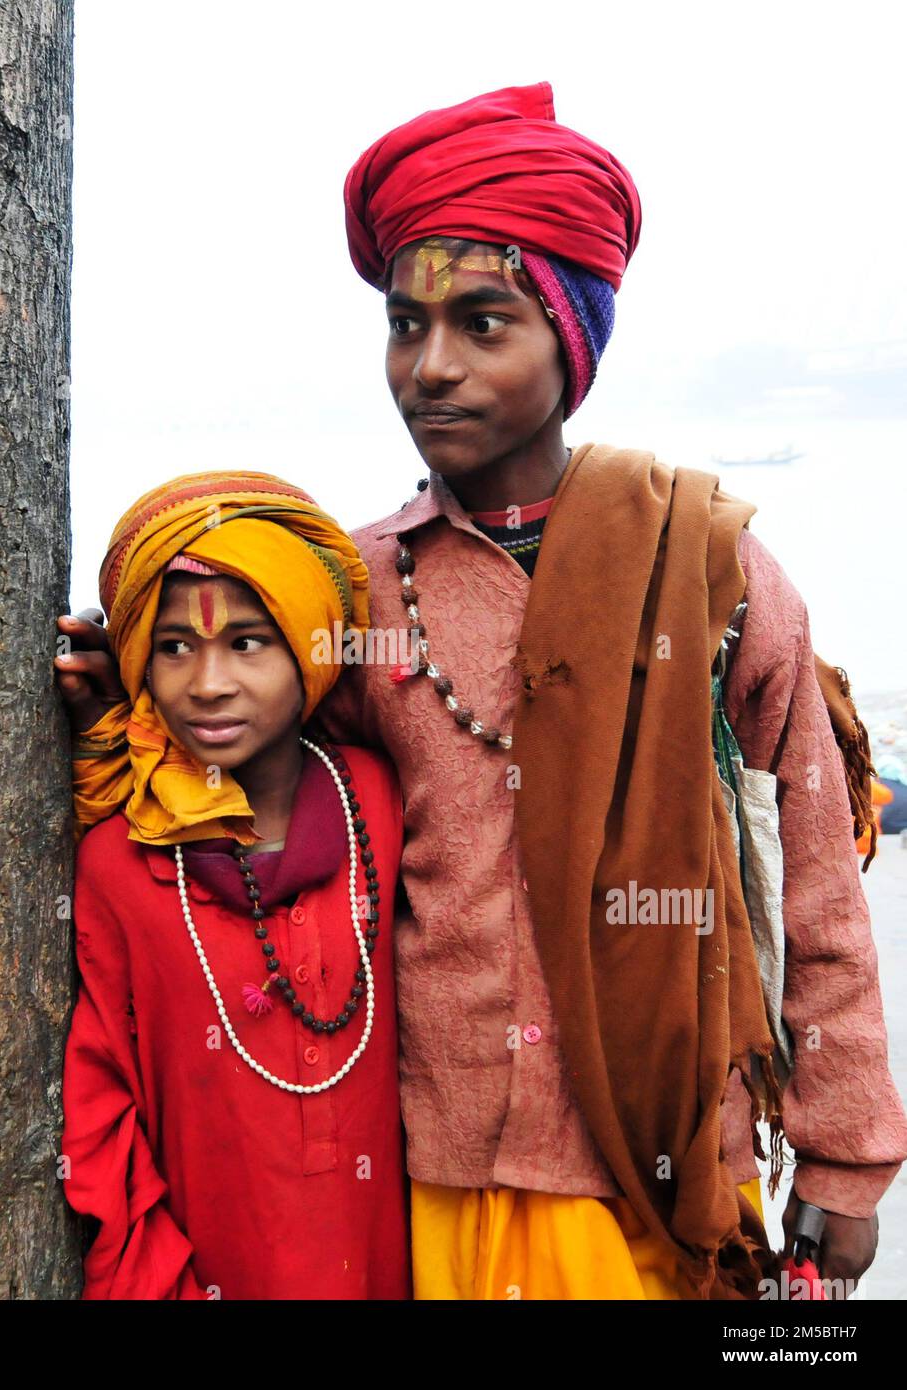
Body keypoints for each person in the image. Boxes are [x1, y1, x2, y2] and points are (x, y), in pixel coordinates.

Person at [57, 82, 907, 1300]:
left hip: (654, 1158)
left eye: (482, 323)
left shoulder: (712, 575)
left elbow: (815, 869)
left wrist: (845, 1150)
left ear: (573, 340)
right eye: (405, 326)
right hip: (422, 1177)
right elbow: (255, 798)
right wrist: (125, 714)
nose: (431, 367)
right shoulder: (353, 595)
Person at [58, 472, 410, 1300]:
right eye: (174, 647)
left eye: (247, 642)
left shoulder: (385, 808)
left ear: (312, 651)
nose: (207, 682)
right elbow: (101, 1116)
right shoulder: (122, 861)